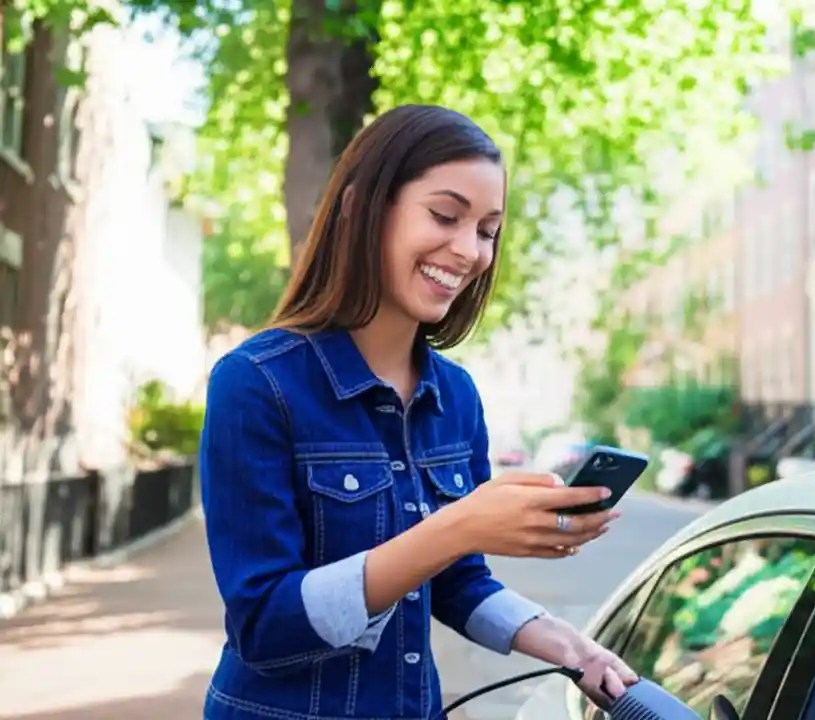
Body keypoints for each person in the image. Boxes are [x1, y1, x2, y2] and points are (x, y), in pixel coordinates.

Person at [199, 104, 638, 719]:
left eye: (487, 230)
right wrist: (459, 527)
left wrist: (570, 648)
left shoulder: (454, 396)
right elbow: (266, 625)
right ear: (360, 208)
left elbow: (457, 582)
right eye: (444, 215)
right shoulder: (255, 384)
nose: (468, 250)